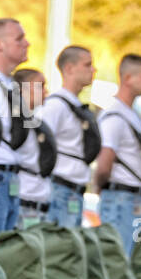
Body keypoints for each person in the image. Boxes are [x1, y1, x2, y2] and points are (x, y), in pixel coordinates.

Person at [96, 54, 141, 254]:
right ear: (128, 78)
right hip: (120, 201)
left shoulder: (132, 114)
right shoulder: (114, 116)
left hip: (136, 201)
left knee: (135, 255)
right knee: (118, 258)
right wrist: (100, 188)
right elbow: (105, 163)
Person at [0, 18, 30, 232]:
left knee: (6, 252)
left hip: (11, 178)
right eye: (19, 39)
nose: (26, 44)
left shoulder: (11, 85)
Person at [40, 45, 98, 228]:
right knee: (61, 251)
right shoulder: (55, 106)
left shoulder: (75, 105)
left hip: (74, 191)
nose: (93, 70)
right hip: (60, 189)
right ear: (69, 68)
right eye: (87, 64)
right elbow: (41, 145)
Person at [12, 67, 54, 226]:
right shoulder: (14, 122)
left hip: (40, 202)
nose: (46, 91)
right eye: (41, 85)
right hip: (22, 200)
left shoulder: (37, 122)